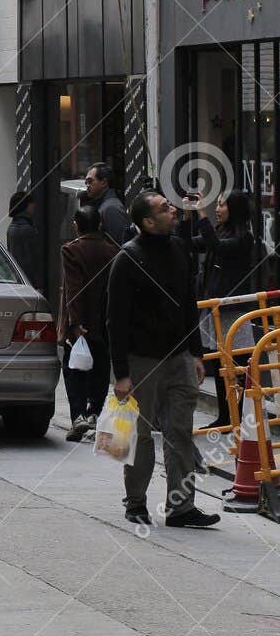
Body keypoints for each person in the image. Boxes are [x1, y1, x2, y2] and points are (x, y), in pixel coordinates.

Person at [108, 190, 218, 529]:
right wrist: (121, 374)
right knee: (140, 434)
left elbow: (188, 304)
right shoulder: (127, 259)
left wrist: (197, 353)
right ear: (148, 221)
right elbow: (115, 320)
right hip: (141, 361)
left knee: (180, 432)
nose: (172, 209)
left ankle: (181, 507)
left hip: (179, 357)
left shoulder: (179, 248)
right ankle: (136, 502)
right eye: (164, 208)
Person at [58, 204, 119, 441]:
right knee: (100, 368)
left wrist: (75, 323)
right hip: (104, 321)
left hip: (80, 321)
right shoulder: (112, 251)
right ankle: (94, 412)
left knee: (74, 368)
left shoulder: (71, 250)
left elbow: (74, 288)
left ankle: (78, 417)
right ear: (100, 224)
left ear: (76, 226)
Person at [200, 191, 257, 429]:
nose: (217, 208)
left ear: (234, 209)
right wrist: (185, 218)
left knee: (239, 365)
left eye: (222, 204)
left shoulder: (244, 238)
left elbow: (216, 246)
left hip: (234, 311)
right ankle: (225, 416)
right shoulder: (220, 231)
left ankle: (240, 416)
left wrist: (201, 214)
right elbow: (191, 243)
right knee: (219, 365)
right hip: (215, 308)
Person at [84, 164, 132, 247]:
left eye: (90, 181)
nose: (87, 186)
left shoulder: (111, 208)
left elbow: (120, 247)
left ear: (104, 182)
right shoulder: (105, 205)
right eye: (86, 183)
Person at [5, 190, 42, 289]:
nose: (34, 205)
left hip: (17, 279)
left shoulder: (11, 228)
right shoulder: (26, 229)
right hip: (28, 282)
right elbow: (33, 259)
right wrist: (37, 283)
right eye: (31, 203)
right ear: (25, 205)